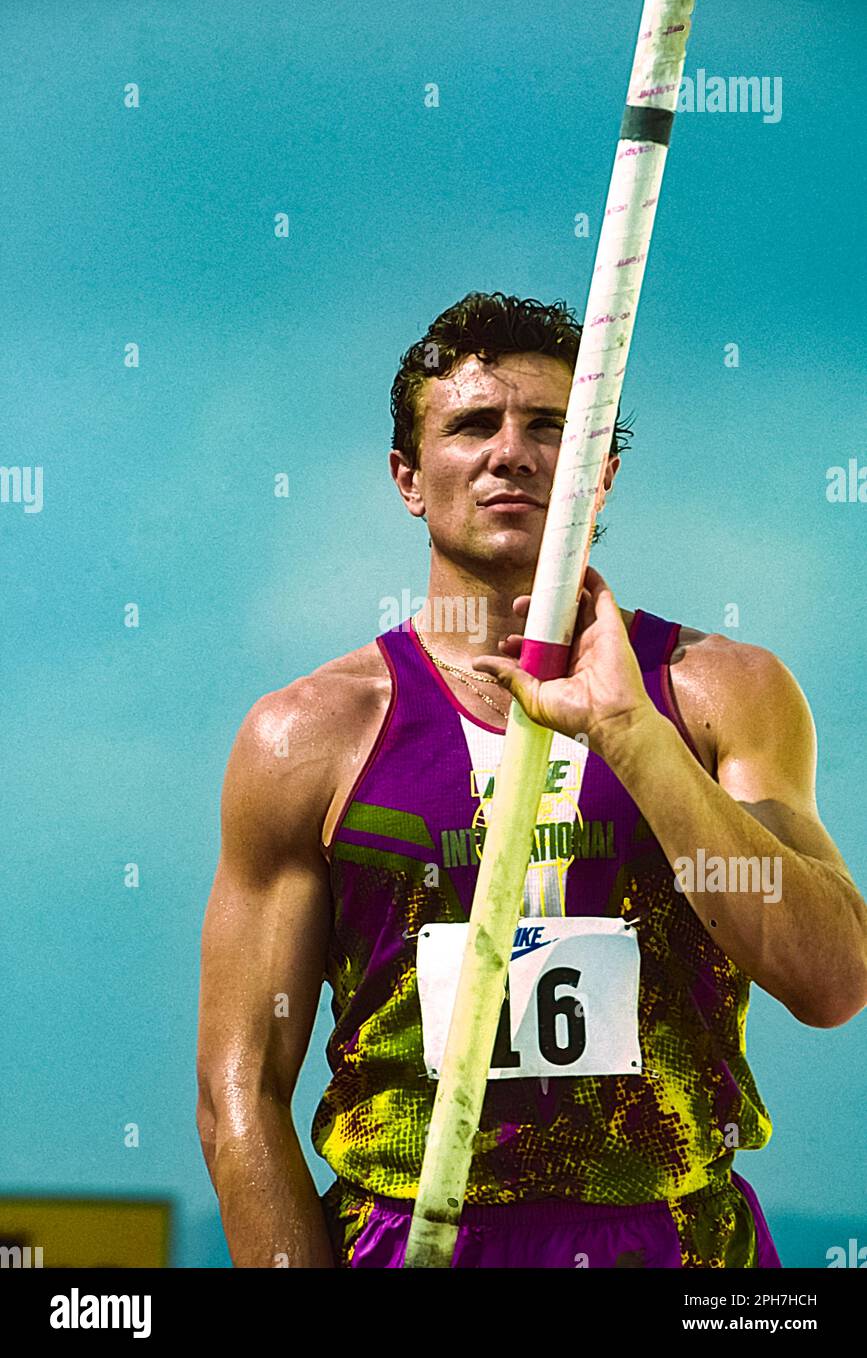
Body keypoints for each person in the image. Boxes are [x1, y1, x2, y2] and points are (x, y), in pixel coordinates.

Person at [196, 292, 867, 1268]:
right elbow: (238, 1092)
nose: (511, 451)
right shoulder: (307, 737)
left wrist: (634, 735)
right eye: (473, 425)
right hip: (412, 1236)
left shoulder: (722, 693)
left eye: (551, 427)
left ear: (602, 475)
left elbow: (834, 979)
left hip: (679, 1240)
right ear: (407, 477)